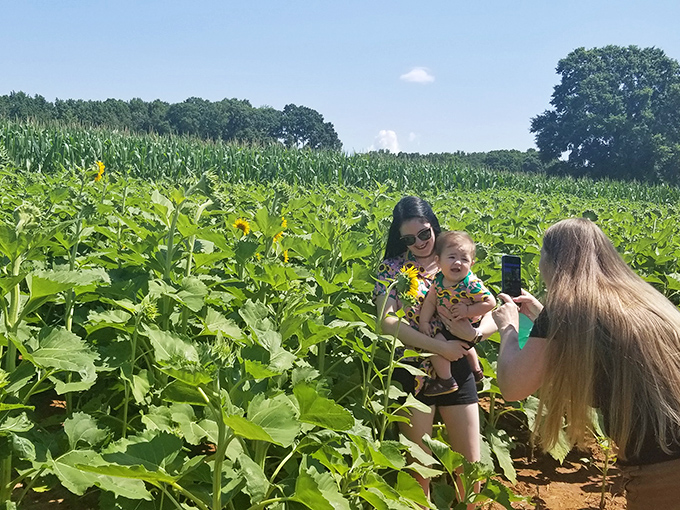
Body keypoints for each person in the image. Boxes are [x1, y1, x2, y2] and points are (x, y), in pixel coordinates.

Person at [492, 218, 680, 509]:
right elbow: (597, 339)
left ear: (551, 260)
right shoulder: (641, 296)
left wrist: (508, 327)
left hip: (664, 471)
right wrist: (541, 315)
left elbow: (513, 386)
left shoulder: (564, 305)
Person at [373, 196, 496, 504]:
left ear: (434, 227)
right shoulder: (392, 269)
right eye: (409, 239)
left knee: (469, 469)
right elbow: (387, 323)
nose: (419, 243)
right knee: (419, 471)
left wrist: (476, 335)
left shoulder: (455, 258)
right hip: (412, 370)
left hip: (457, 368)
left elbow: (496, 308)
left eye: (425, 234)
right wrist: (439, 346)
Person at [418, 231, 496, 397]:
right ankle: (476, 371)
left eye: (464, 259)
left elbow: (491, 302)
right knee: (467, 348)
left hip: (466, 325)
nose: (458, 262)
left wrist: (468, 311)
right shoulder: (439, 280)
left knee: (436, 343)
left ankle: (445, 380)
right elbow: (430, 301)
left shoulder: (470, 283)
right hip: (450, 323)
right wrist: (424, 322)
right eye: (452, 257)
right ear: (438, 261)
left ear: (472, 263)